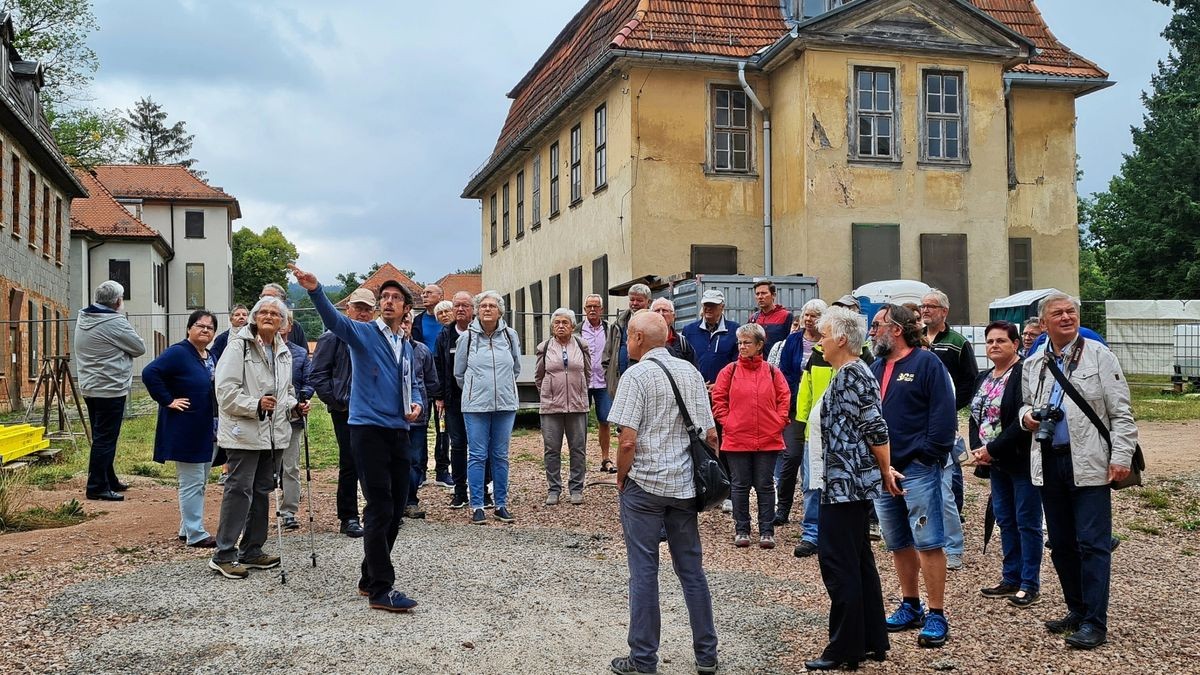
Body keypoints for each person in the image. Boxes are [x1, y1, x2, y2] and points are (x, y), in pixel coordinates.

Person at [292, 264, 423, 613]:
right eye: (386, 298)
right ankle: (382, 587)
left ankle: (368, 577)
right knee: (380, 505)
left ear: (407, 308)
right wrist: (316, 289)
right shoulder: (366, 334)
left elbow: (416, 385)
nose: (390, 302)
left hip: (399, 430)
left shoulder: (405, 345)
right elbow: (336, 323)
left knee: (395, 509)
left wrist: (417, 403)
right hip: (367, 429)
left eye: (397, 298)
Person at [1019, 293, 1137, 649]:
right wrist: (1026, 418)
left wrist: (1121, 457)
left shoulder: (1101, 356)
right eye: (1058, 313)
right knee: (1062, 544)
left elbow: (1121, 413)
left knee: (1093, 545)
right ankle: (1076, 608)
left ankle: (1095, 623)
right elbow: (1027, 403)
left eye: (1071, 311)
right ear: (1044, 323)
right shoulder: (1035, 362)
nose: (1067, 317)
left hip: (1090, 462)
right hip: (1048, 459)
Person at [608, 312, 718, 675]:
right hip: (684, 486)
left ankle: (643, 659)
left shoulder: (635, 376)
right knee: (692, 572)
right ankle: (707, 655)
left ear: (638, 337)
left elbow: (627, 441)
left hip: (644, 485)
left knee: (643, 572)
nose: (626, 343)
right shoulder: (689, 372)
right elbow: (711, 437)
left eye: (628, 337)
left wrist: (621, 479)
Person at [804, 307, 901, 671]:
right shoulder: (849, 372)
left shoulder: (851, 375)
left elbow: (875, 428)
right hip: (846, 483)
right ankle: (872, 638)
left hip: (845, 486)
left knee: (839, 564)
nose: (820, 340)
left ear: (842, 339)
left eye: (825, 334)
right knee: (859, 561)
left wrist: (885, 468)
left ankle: (844, 648)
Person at [869, 303, 957, 648]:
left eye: (878, 324)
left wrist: (925, 457)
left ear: (897, 329)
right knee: (898, 542)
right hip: (883, 471)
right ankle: (911, 603)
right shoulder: (875, 366)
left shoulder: (926, 362)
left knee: (929, 541)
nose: (873, 331)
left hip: (916, 469)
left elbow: (943, 416)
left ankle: (936, 612)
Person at [209, 295, 300, 579]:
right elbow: (224, 391)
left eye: (275, 313)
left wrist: (296, 406)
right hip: (244, 432)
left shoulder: (283, 351)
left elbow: (285, 392)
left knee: (263, 490)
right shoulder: (239, 347)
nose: (269, 316)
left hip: (273, 434)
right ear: (254, 317)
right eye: (264, 312)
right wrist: (255, 404)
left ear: (283, 322)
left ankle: (252, 549)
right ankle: (223, 554)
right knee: (239, 490)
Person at [969, 321, 1041, 607]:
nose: (994, 345)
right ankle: (1010, 577)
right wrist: (978, 447)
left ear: (1015, 344)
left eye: (1001, 340)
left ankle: (1029, 582)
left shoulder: (1022, 375)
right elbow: (977, 414)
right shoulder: (984, 377)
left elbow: (1021, 421)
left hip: (1019, 459)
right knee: (1006, 520)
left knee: (1027, 521)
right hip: (995, 461)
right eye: (990, 341)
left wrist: (992, 448)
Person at [141, 310, 220, 548]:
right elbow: (149, 373)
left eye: (210, 327)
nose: (205, 330)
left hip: (208, 428)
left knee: (201, 480)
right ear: (188, 329)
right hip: (186, 428)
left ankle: (187, 528)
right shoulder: (178, 352)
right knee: (192, 481)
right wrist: (168, 399)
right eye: (200, 325)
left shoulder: (208, 356)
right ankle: (196, 533)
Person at [711, 324, 790, 549]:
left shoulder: (773, 372)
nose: (742, 347)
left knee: (765, 485)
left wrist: (778, 421)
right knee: (740, 485)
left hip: (768, 438)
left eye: (747, 343)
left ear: (759, 345)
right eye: (740, 343)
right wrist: (728, 422)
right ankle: (742, 529)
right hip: (737, 438)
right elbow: (719, 399)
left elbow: (784, 398)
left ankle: (767, 530)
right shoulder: (729, 371)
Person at [310, 287, 376, 538]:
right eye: (358, 308)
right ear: (348, 309)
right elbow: (318, 374)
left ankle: (375, 511)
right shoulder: (332, 337)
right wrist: (338, 402)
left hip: (372, 409)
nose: (362, 313)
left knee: (373, 462)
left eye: (367, 309)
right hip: (346, 410)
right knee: (350, 462)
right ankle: (348, 516)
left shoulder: (374, 335)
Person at [74, 280, 147, 502]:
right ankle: (96, 486)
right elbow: (139, 347)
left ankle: (108, 478)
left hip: (90, 386)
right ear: (117, 301)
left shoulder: (84, 317)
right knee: (106, 438)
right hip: (110, 387)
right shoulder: (114, 322)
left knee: (101, 436)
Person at [455, 290, 521, 525]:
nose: (487, 309)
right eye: (482, 305)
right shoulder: (467, 338)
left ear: (500, 311)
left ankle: (501, 503)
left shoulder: (511, 336)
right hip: (475, 406)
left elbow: (515, 367)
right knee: (477, 455)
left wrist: (502, 389)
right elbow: (459, 373)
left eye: (492, 305)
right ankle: (477, 506)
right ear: (476, 310)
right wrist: (476, 390)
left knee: (500, 455)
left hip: (505, 404)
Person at [919, 290, 974, 571]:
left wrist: (949, 408)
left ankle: (953, 547)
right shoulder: (915, 337)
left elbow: (969, 381)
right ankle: (925, 541)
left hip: (943, 425)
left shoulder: (957, 343)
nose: (925, 310)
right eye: (923, 306)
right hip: (917, 426)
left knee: (945, 490)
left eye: (931, 306)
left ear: (944, 312)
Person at [775, 298, 826, 541]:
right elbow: (784, 372)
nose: (809, 319)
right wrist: (789, 403)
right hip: (796, 407)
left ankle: (814, 513)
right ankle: (782, 507)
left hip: (820, 409)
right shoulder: (793, 341)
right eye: (806, 315)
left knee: (813, 463)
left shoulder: (828, 343)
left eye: (814, 315)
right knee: (792, 455)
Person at [437, 291, 488, 510]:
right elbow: (438, 367)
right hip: (454, 401)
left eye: (465, 306)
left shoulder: (483, 333)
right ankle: (459, 490)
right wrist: (439, 396)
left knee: (480, 446)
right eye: (456, 305)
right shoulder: (445, 335)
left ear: (473, 310)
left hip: (480, 399)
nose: (460, 309)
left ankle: (483, 490)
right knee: (458, 445)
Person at [536, 308, 591, 506]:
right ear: (552, 327)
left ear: (572, 326)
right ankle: (554, 489)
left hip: (577, 405)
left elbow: (587, 373)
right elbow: (539, 377)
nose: (560, 326)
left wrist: (579, 394)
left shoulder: (582, 346)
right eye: (557, 322)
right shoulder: (544, 348)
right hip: (551, 407)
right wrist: (549, 394)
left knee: (578, 449)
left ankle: (576, 488)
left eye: (565, 322)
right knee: (551, 449)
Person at [402, 308, 440, 520]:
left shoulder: (422, 351)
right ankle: (393, 502)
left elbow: (432, 381)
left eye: (407, 321)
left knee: (415, 459)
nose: (404, 325)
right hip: (391, 416)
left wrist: (422, 401)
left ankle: (411, 500)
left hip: (417, 416)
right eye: (401, 321)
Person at [276, 318, 313, 530]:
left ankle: (289, 510)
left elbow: (309, 380)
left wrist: (305, 398)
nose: (280, 325)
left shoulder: (299, 353)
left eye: (284, 321)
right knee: (267, 468)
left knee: (291, 466)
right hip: (267, 417)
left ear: (290, 326)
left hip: (293, 416)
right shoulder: (260, 349)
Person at [579, 294, 616, 473]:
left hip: (603, 382)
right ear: (584, 309)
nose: (592, 309)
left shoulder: (610, 329)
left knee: (604, 420)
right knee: (579, 422)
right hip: (582, 383)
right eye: (589, 306)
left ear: (602, 309)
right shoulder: (577, 331)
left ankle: (605, 458)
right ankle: (580, 459)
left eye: (596, 306)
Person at [680, 289, 740, 388]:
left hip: (723, 391)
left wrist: (719, 385)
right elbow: (683, 363)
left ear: (722, 307)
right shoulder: (689, 330)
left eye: (713, 305)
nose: (708, 308)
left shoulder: (734, 330)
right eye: (706, 304)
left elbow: (738, 365)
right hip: (695, 389)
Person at [606, 283, 651, 397]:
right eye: (632, 300)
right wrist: (608, 377)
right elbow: (607, 353)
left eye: (639, 300)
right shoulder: (618, 323)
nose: (634, 303)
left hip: (645, 383)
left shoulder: (654, 323)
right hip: (619, 383)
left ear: (648, 302)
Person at [748, 279, 794, 357]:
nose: (760, 297)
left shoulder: (786, 316)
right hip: (757, 365)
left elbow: (791, 344)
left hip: (777, 364)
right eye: (757, 294)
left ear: (773, 295)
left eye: (764, 293)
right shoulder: (754, 318)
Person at [650, 297, 696, 365]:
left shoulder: (682, 343)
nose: (661, 314)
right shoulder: (645, 341)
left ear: (673, 316)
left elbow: (693, 369)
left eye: (665, 310)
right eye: (657, 311)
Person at [260, 283, 307, 350]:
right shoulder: (252, 325)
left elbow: (304, 354)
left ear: (282, 300)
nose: (264, 300)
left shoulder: (294, 326)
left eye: (269, 297)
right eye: (262, 297)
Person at [410, 283, 444, 355]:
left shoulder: (450, 319)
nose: (424, 295)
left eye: (429, 293)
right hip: (425, 363)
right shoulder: (417, 320)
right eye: (423, 293)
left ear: (440, 297)